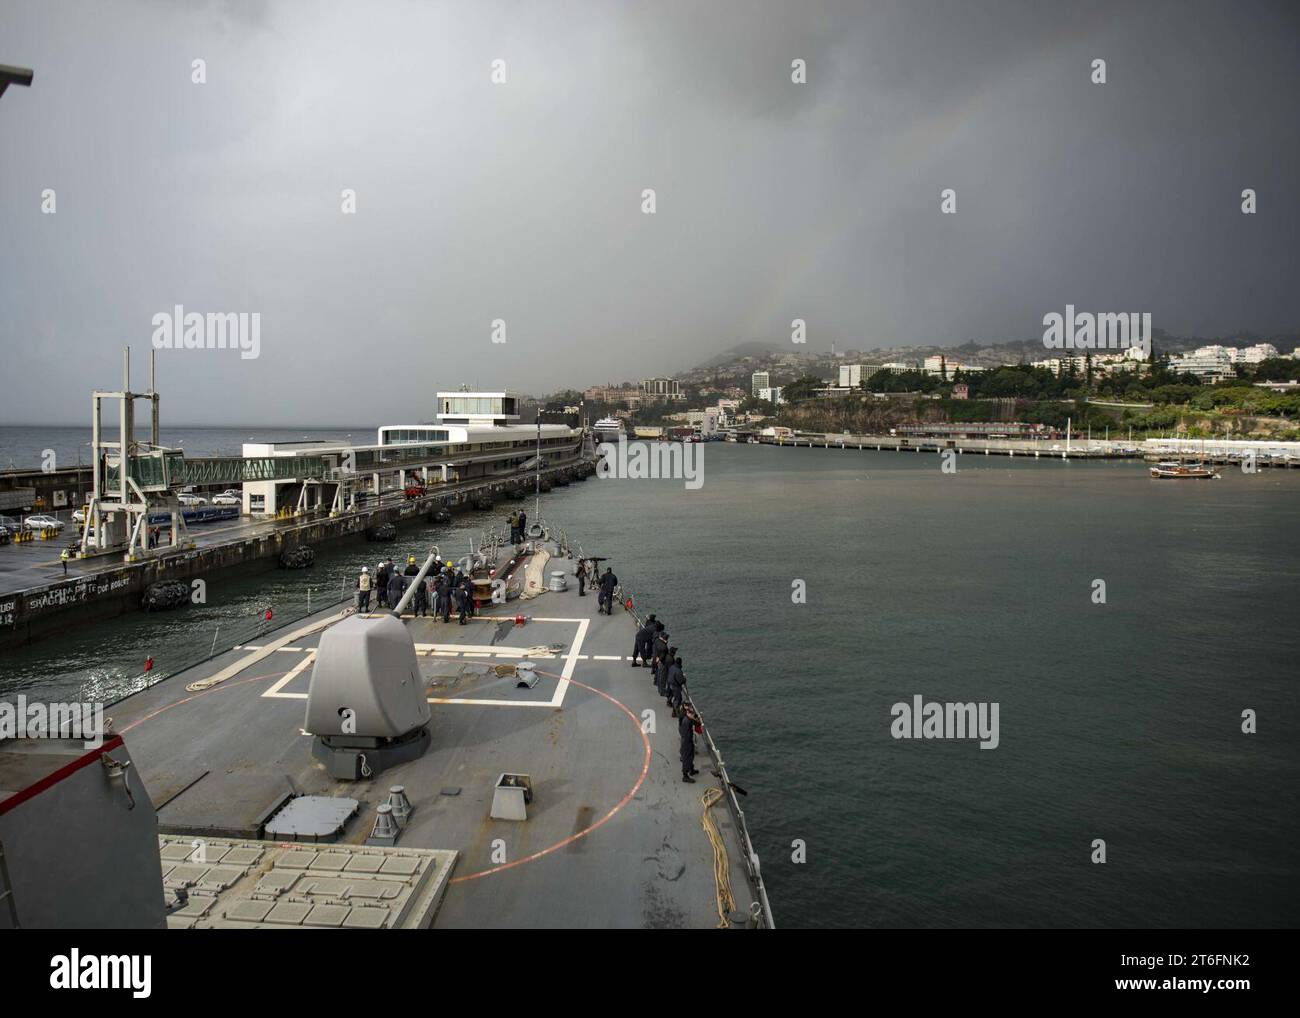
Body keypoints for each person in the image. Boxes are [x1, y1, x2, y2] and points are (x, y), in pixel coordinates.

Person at [679, 704, 700, 783]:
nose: (692, 715)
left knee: (691, 755)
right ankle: (685, 776)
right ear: (688, 713)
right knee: (687, 758)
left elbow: (696, 723)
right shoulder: (686, 722)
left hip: (688, 741)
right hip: (686, 742)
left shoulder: (687, 719)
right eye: (691, 713)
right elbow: (696, 723)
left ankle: (691, 769)